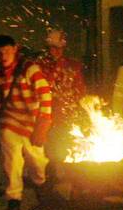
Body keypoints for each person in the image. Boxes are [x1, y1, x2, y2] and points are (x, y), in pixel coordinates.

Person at [0, 35, 53, 210]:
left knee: (36, 160)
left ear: (15, 49)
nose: (3, 55)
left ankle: (40, 185)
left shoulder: (30, 68)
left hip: (32, 122)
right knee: (12, 163)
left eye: (7, 51)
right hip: (9, 121)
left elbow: (45, 95)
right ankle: (13, 200)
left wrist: (43, 124)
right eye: (0, 52)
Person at [35, 28, 87, 165]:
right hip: (46, 114)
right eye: (53, 47)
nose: (57, 51)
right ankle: (49, 178)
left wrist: (79, 107)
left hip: (66, 115)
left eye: (60, 48)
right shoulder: (40, 65)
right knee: (48, 149)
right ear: (48, 48)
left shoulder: (73, 65)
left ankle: (63, 175)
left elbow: (80, 89)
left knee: (64, 147)